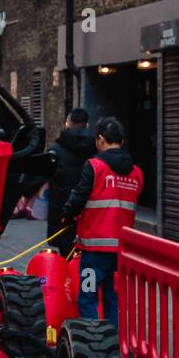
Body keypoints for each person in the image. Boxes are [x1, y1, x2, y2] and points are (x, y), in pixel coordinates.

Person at [62, 116, 143, 329]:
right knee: (113, 299)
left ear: (99, 139)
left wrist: (67, 215)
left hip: (94, 252)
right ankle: (112, 342)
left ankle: (93, 342)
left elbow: (78, 198)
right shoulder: (137, 174)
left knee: (88, 296)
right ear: (121, 141)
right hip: (121, 252)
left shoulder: (94, 166)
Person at [46, 108, 94, 254]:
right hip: (88, 213)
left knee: (66, 255)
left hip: (62, 211)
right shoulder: (95, 149)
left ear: (67, 123)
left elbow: (43, 176)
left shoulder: (56, 150)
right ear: (87, 125)